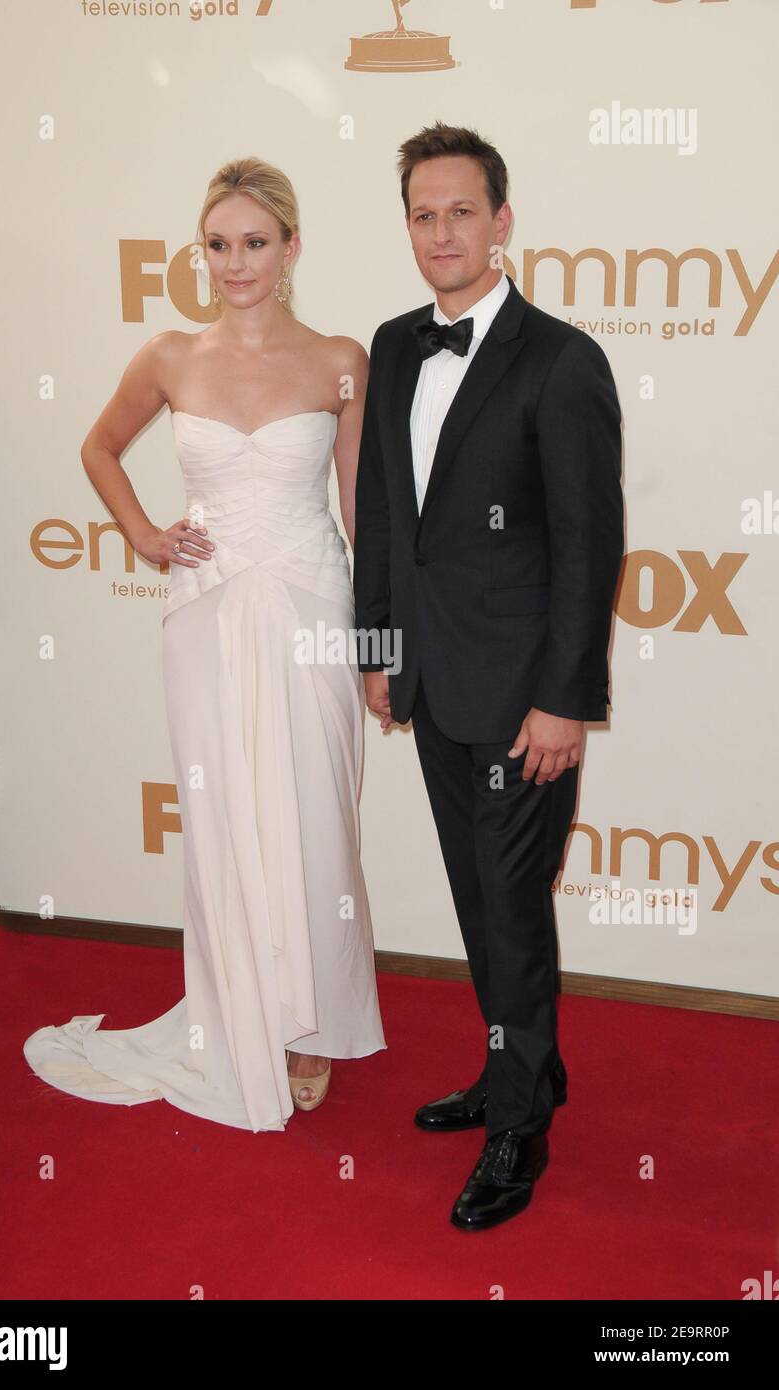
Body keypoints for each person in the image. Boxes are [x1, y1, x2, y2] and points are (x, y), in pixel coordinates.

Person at [24, 157, 386, 1130]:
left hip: (312, 604)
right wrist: (144, 534)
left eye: (254, 243)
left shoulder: (340, 359)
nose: (235, 264)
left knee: (314, 820)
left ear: (291, 247)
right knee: (226, 822)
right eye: (218, 245)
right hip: (205, 611)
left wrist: (379, 643)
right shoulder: (169, 357)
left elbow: (363, 511)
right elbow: (98, 447)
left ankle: (312, 1028)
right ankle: (240, 1012)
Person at [353, 123, 623, 1228]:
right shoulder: (393, 344)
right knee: (478, 899)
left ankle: (518, 1127)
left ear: (501, 223)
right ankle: (520, 1065)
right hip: (431, 683)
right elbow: (377, 517)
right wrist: (377, 651)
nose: (442, 231)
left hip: (523, 701)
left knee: (510, 909)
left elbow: (586, 544)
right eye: (423, 213)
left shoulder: (561, 360)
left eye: (462, 211)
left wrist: (563, 696)